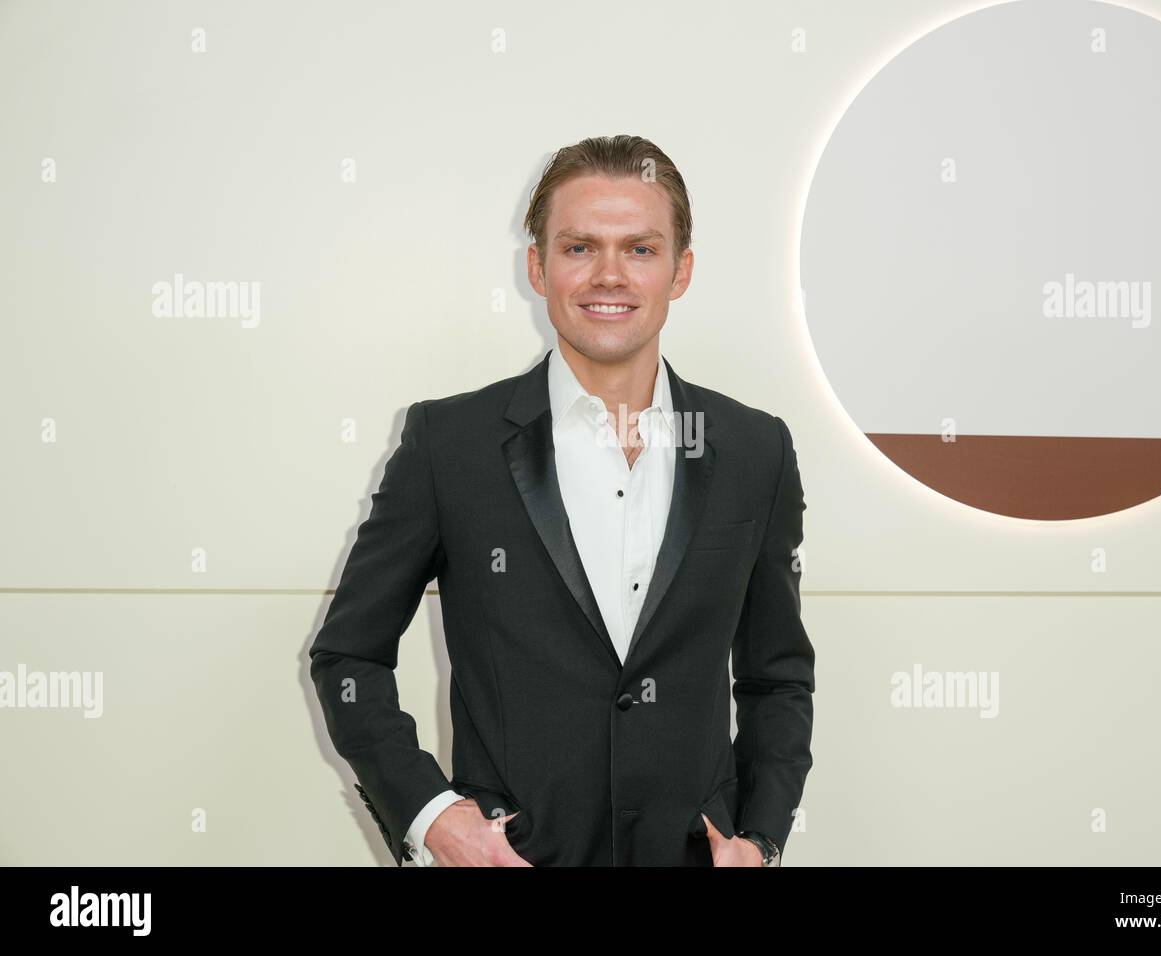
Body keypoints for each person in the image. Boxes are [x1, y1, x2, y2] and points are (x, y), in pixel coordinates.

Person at [309, 134, 814, 866]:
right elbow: (348, 657)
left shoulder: (753, 450)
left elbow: (777, 676)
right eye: (580, 248)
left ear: (681, 271)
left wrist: (760, 840)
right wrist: (434, 820)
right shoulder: (448, 444)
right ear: (538, 268)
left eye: (640, 249)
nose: (609, 275)